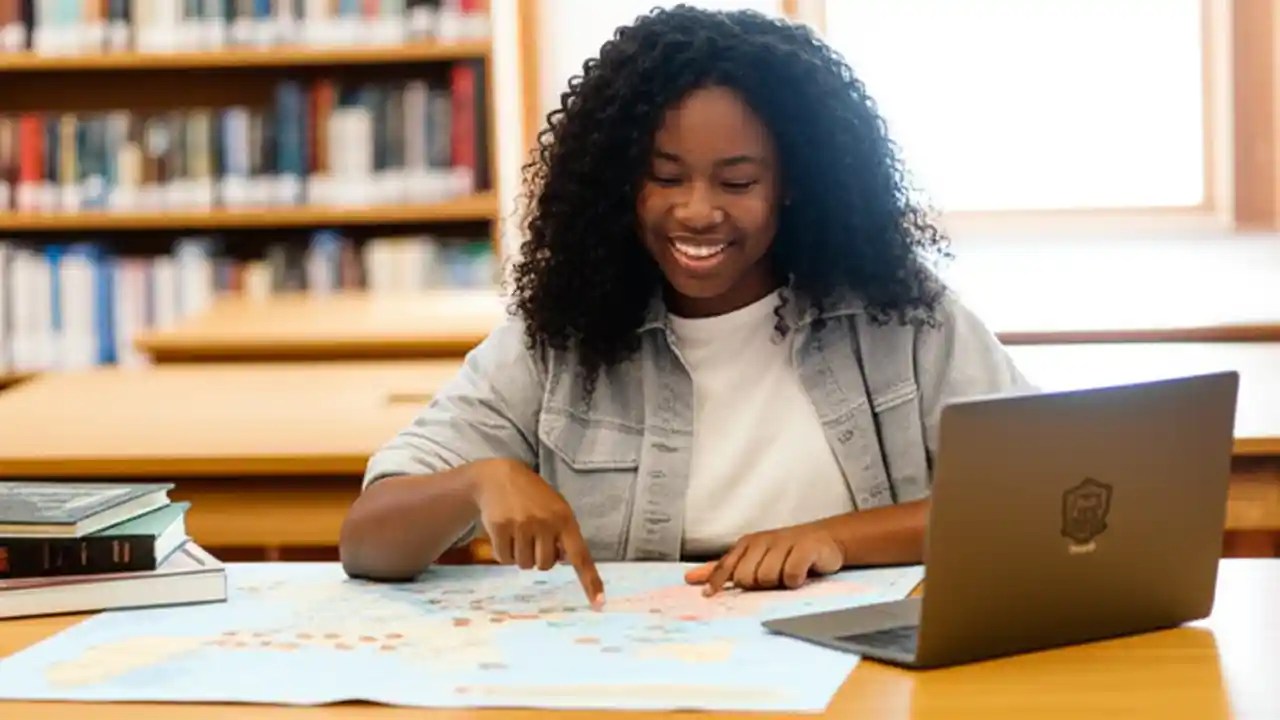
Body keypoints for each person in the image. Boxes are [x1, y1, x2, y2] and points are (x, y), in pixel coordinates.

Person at [339, 5, 1031, 607]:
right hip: (640, 679)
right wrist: (475, 483)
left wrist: (832, 539)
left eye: (737, 181)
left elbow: (1029, 496)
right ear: (619, 180)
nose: (698, 212)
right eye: (664, 177)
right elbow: (367, 540)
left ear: (793, 183)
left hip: (854, 676)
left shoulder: (899, 315)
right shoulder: (561, 332)